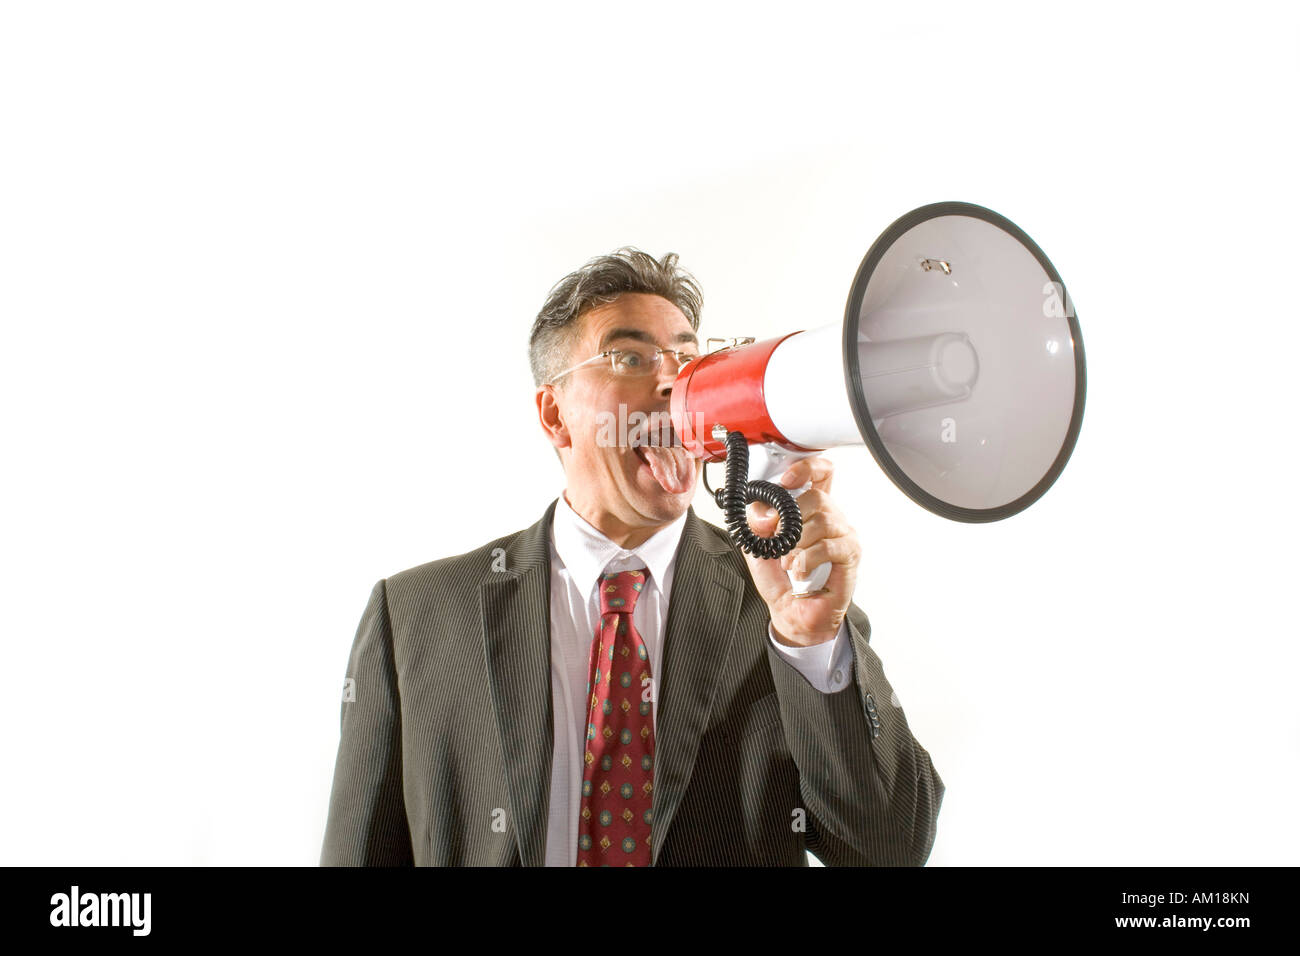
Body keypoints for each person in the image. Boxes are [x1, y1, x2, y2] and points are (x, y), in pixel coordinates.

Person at [319, 248, 944, 866]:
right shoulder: (414, 616)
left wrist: (809, 642)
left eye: (689, 358)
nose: (675, 381)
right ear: (554, 414)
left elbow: (889, 849)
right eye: (630, 356)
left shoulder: (784, 600)